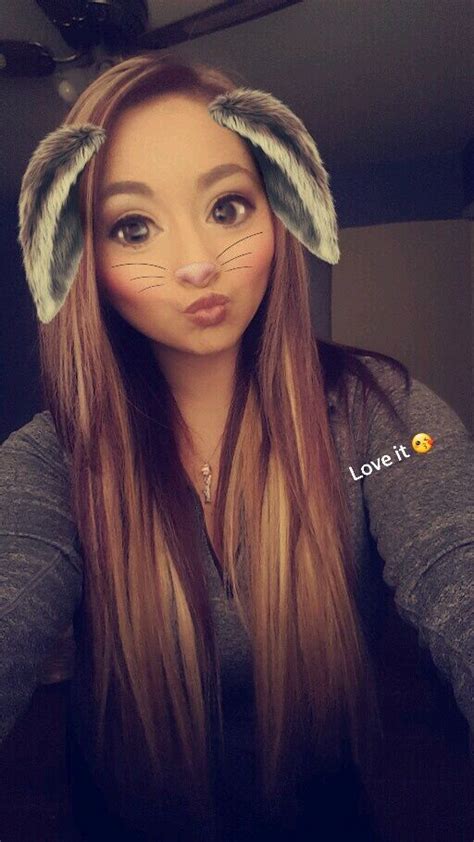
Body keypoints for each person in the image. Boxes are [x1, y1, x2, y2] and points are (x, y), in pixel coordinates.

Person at [1, 52, 472, 841]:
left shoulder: (383, 422)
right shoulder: (53, 461)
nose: (197, 263)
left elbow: (457, 561)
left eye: (227, 207)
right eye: (133, 226)